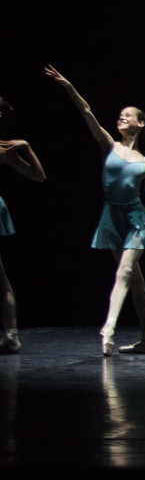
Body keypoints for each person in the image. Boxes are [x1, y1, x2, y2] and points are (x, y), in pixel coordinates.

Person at [45, 65, 145, 355]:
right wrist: (68, 85)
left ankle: (109, 327)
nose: (121, 117)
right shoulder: (110, 145)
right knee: (135, 281)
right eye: (120, 115)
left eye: (128, 115)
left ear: (141, 124)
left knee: (125, 270)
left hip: (136, 219)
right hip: (112, 218)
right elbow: (87, 112)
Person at [0, 96, 46, 353]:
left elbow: (38, 176)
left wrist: (27, 147)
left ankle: (12, 335)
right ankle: (11, 335)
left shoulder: (4, 149)